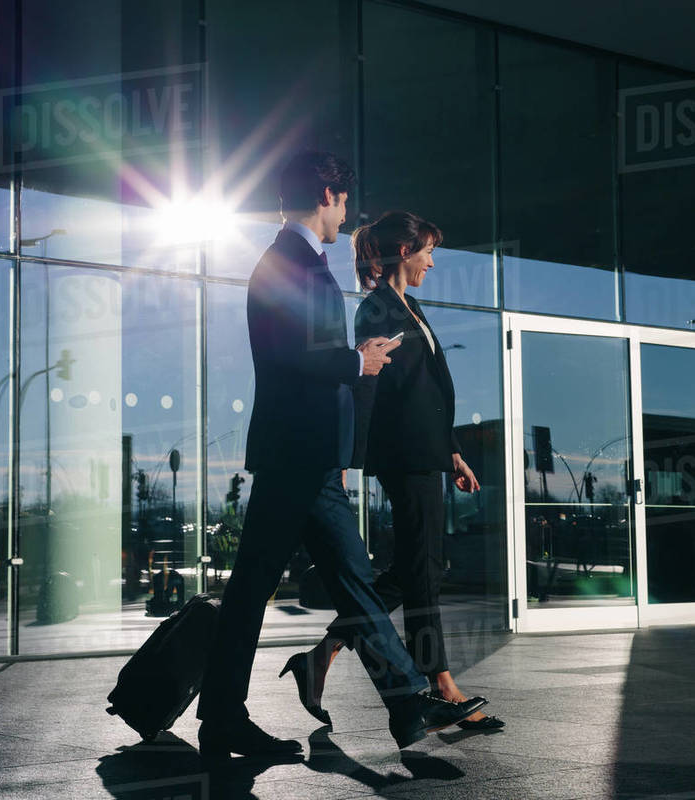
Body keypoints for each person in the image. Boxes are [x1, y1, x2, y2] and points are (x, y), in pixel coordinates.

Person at [197, 153, 485, 757]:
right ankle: (405, 702)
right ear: (327, 194)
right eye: (343, 201)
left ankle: (401, 705)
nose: (346, 214)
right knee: (336, 582)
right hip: (299, 453)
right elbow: (289, 355)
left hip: (304, 455)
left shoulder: (294, 260)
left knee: (291, 587)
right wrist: (359, 362)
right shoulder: (289, 262)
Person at [280, 210, 503, 731]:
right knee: (423, 572)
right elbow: (365, 392)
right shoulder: (377, 312)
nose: (432, 260)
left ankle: (324, 654)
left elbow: (427, 391)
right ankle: (440, 686)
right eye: (427, 249)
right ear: (404, 251)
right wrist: (346, 460)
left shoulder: (411, 306)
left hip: (427, 454)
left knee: (413, 571)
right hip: (402, 458)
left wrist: (452, 451)